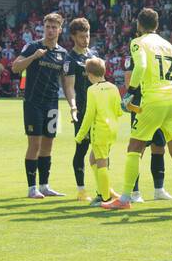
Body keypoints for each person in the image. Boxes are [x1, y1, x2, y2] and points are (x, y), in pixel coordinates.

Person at [115, 8, 172, 209]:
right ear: (157, 25)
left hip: (152, 100)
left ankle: (125, 199)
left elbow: (142, 67)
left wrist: (130, 92)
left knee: (134, 148)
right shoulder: (168, 45)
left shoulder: (138, 42)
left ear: (139, 24)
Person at [10, 11, 76, 198]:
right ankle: (32, 188)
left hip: (52, 104)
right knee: (35, 144)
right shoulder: (32, 47)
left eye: (54, 27)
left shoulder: (63, 54)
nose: (50, 30)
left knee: (48, 144)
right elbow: (15, 67)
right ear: (43, 28)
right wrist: (34, 57)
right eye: (47, 27)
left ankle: (45, 185)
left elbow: (67, 83)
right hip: (33, 103)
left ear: (60, 30)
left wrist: (72, 105)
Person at [75, 59, 125, 210]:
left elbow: (89, 114)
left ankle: (105, 197)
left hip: (100, 130)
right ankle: (105, 190)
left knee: (101, 162)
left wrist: (80, 134)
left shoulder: (92, 90)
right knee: (93, 159)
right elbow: (119, 110)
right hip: (112, 129)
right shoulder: (113, 87)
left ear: (89, 74)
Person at [65, 17, 100, 201]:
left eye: (87, 35)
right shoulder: (70, 59)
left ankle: (103, 188)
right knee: (82, 149)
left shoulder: (94, 56)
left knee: (101, 149)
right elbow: (69, 86)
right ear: (73, 37)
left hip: (98, 112)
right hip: (82, 111)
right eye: (81, 36)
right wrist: (73, 106)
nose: (85, 39)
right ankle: (81, 189)